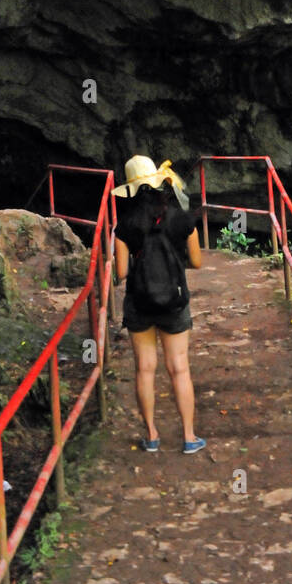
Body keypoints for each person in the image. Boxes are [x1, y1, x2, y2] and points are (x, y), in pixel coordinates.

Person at [112, 156, 206, 454]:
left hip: (139, 303)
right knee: (179, 368)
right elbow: (197, 262)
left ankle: (151, 436)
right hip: (175, 302)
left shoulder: (125, 225)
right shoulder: (182, 219)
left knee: (145, 369)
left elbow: (122, 273)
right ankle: (189, 438)